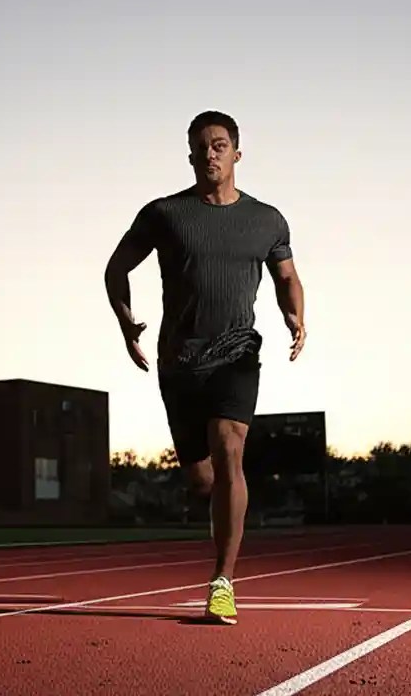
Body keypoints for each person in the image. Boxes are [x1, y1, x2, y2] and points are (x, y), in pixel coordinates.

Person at [103, 110, 306, 624]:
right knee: (201, 479)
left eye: (220, 145)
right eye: (201, 146)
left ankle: (222, 581)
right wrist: (126, 322)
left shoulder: (267, 219)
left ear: (237, 152)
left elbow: (286, 276)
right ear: (190, 155)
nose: (210, 153)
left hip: (237, 354)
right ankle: (217, 511)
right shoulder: (165, 214)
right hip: (179, 363)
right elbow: (116, 267)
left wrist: (295, 315)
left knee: (230, 449)